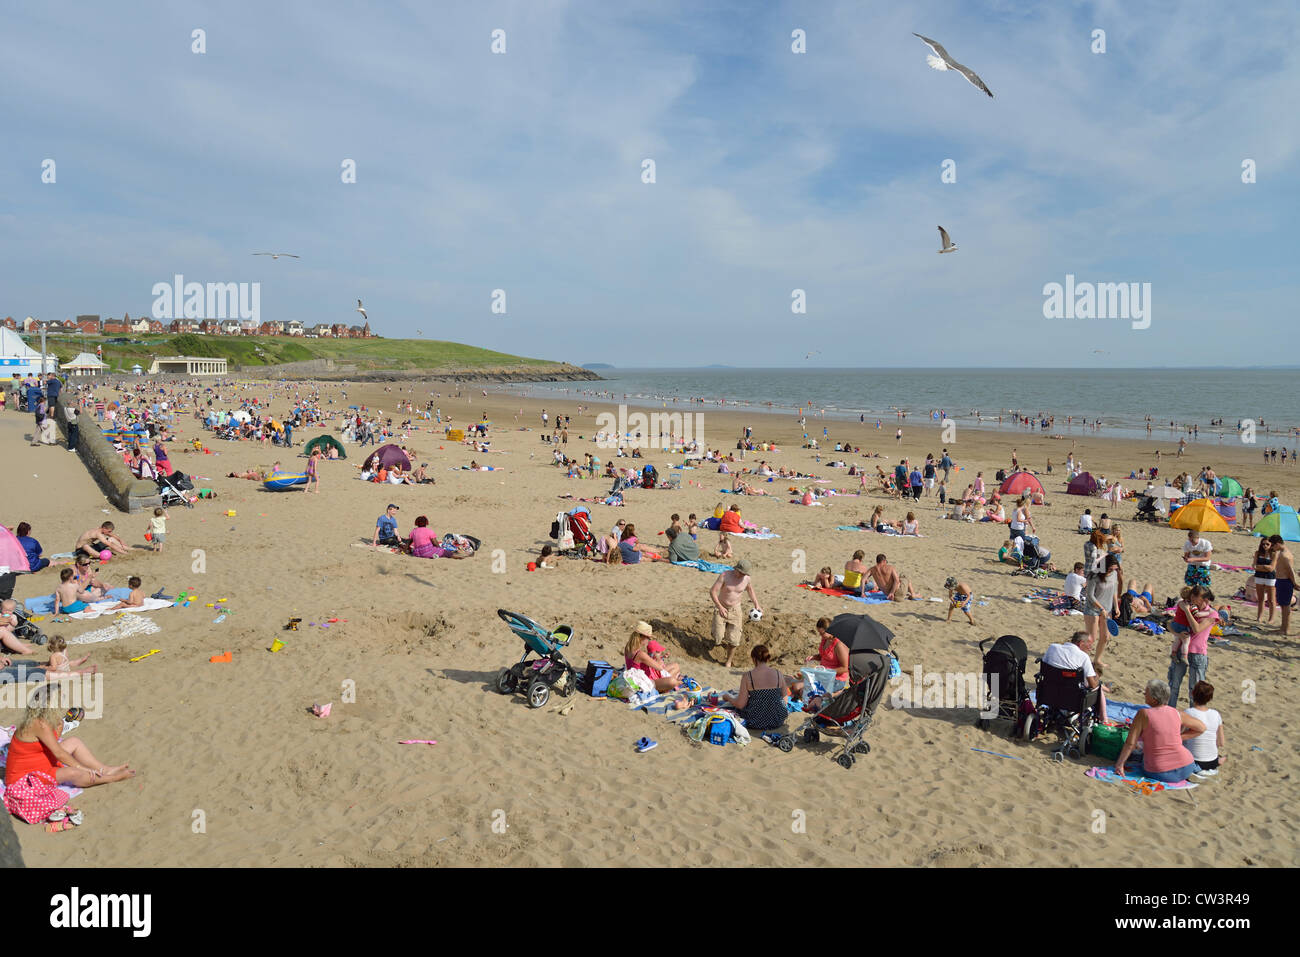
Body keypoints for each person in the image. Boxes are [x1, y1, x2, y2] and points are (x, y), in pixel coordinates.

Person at [3, 685, 135, 791]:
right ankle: (110, 778)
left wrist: (59, 727)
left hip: (38, 761)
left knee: (74, 742)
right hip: (24, 778)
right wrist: (81, 768)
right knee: (72, 772)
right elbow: (59, 753)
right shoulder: (39, 724)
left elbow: (51, 742)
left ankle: (104, 770)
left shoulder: (44, 719)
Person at [1114, 679, 1204, 783]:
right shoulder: (1177, 713)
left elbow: (1130, 743)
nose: (1144, 694)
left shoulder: (1143, 714)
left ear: (1154, 699)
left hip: (1159, 771)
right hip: (1187, 766)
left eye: (1146, 693)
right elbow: (1201, 728)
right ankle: (1192, 773)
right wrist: (1179, 737)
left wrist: (1119, 764)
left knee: (1139, 757)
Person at [721, 645, 789, 731]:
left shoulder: (748, 676)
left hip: (755, 720)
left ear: (753, 659)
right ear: (767, 658)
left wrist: (728, 697)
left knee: (736, 706)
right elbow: (785, 699)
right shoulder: (778, 673)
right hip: (777, 720)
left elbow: (740, 704)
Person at [1042, 630, 1108, 716]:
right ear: (1081, 643)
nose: (1090, 648)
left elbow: (1043, 668)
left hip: (1048, 693)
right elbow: (1092, 684)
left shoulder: (1053, 647)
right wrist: (1098, 681)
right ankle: (1104, 718)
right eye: (1089, 644)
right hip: (1071, 699)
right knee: (1097, 687)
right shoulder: (1083, 657)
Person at [1168, 587, 1216, 708]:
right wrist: (1178, 634)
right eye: (1192, 595)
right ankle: (1169, 711)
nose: (1192, 598)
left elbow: (1197, 629)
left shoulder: (1212, 614)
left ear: (1205, 599)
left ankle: (1194, 715)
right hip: (1181, 651)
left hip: (1198, 654)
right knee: (1174, 685)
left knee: (1195, 690)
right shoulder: (1190, 606)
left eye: (1196, 596)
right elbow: (1170, 624)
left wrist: (1187, 611)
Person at [710, 559, 761, 668]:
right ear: (736, 569)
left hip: (735, 610)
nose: (742, 575)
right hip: (721, 607)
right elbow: (713, 591)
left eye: (745, 574)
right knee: (718, 637)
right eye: (741, 573)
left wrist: (757, 604)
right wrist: (719, 607)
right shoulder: (725, 576)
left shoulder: (746, 579)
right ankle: (716, 633)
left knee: (734, 640)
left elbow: (750, 590)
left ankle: (728, 661)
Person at [1084, 555, 1121, 672]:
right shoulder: (1094, 576)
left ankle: (1097, 660)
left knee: (1105, 637)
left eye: (1114, 569)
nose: (1112, 571)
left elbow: (1114, 590)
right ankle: (1082, 659)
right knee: (1092, 638)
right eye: (1110, 569)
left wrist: (1116, 606)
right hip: (1092, 609)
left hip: (1107, 609)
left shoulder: (1114, 574)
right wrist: (1101, 609)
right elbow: (1090, 595)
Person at [623, 621, 680, 693]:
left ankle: (666, 684)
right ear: (642, 637)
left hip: (637, 677)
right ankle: (667, 686)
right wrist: (658, 658)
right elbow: (660, 668)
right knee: (672, 681)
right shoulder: (640, 654)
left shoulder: (628, 647)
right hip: (646, 682)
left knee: (676, 666)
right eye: (648, 638)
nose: (648, 641)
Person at [1184, 681, 1225, 775]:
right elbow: (1221, 743)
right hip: (1212, 761)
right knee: (1223, 757)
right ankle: (1218, 762)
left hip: (1192, 760)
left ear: (1192, 694)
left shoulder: (1188, 713)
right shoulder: (1216, 714)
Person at [1272, 535, 1296, 636]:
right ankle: (1283, 627)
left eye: (1273, 545)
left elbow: (1290, 571)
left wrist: (1295, 583)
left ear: (1277, 544)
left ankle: (1285, 629)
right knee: (1283, 606)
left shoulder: (1285, 555)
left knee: (1285, 607)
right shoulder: (1283, 553)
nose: (1272, 548)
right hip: (1282, 581)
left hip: (1285, 581)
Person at [1252, 538, 1277, 626]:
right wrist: (1265, 567)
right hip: (1259, 576)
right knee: (1260, 599)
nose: (1265, 546)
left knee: (1271, 600)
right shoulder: (1258, 553)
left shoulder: (1274, 554)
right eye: (1263, 544)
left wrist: (1261, 567)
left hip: (1270, 578)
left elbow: (1271, 568)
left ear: (1271, 545)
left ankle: (1271, 618)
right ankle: (1259, 617)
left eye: (1267, 544)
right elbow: (1254, 566)